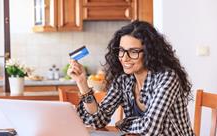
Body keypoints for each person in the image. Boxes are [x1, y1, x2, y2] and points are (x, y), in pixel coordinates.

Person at [67, 20, 195, 136]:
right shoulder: (124, 80)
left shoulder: (166, 78)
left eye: (133, 51)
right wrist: (82, 82)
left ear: (149, 53)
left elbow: (150, 129)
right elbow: (97, 121)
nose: (124, 58)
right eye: (121, 50)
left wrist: (124, 123)